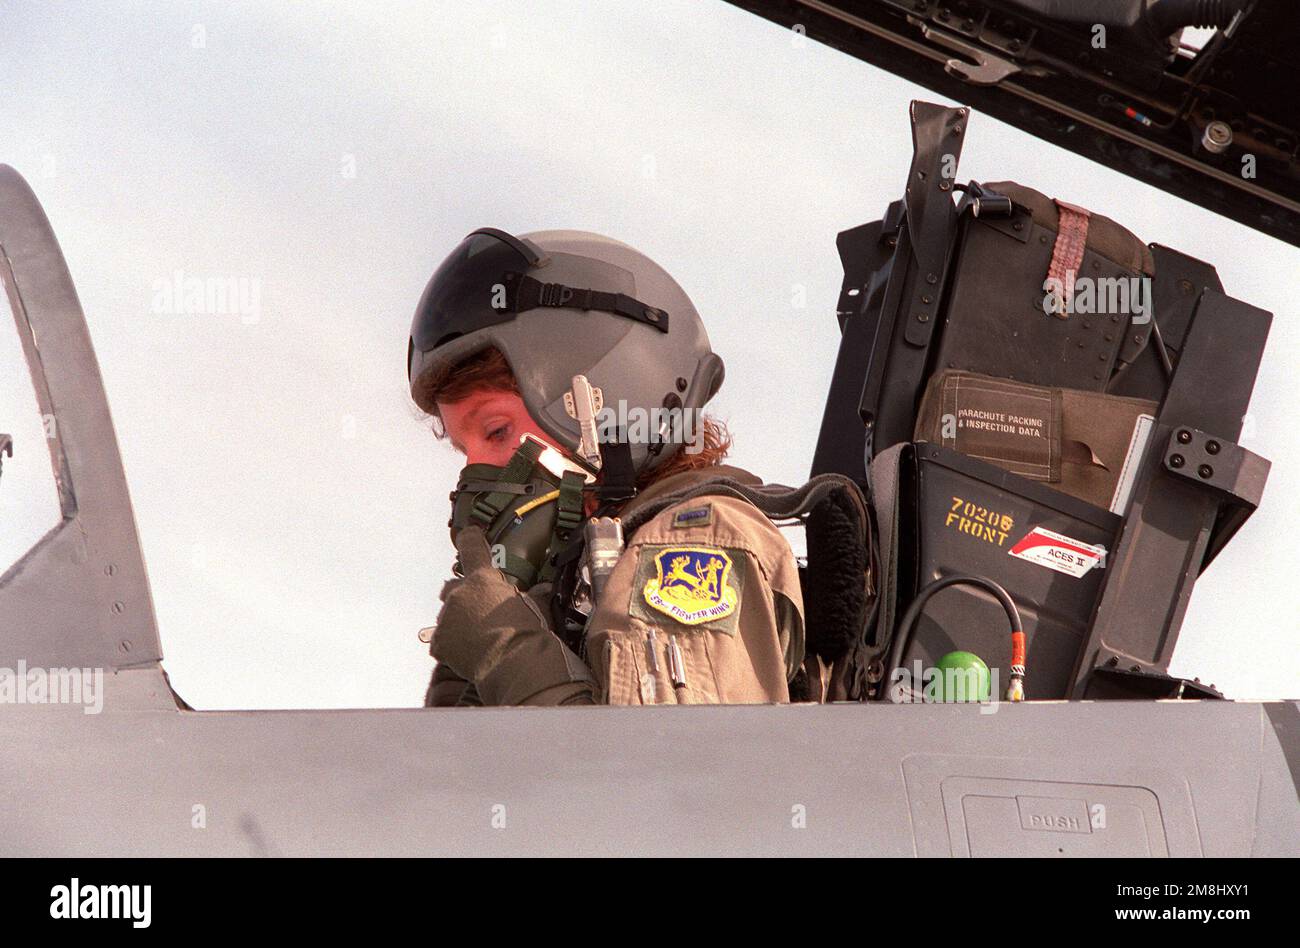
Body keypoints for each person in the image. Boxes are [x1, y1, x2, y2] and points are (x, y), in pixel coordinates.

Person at [407, 228, 810, 707]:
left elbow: (670, 769)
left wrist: (506, 649)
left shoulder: (692, 542)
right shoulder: (572, 592)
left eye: (496, 431)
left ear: (606, 399)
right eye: (464, 450)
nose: (475, 473)